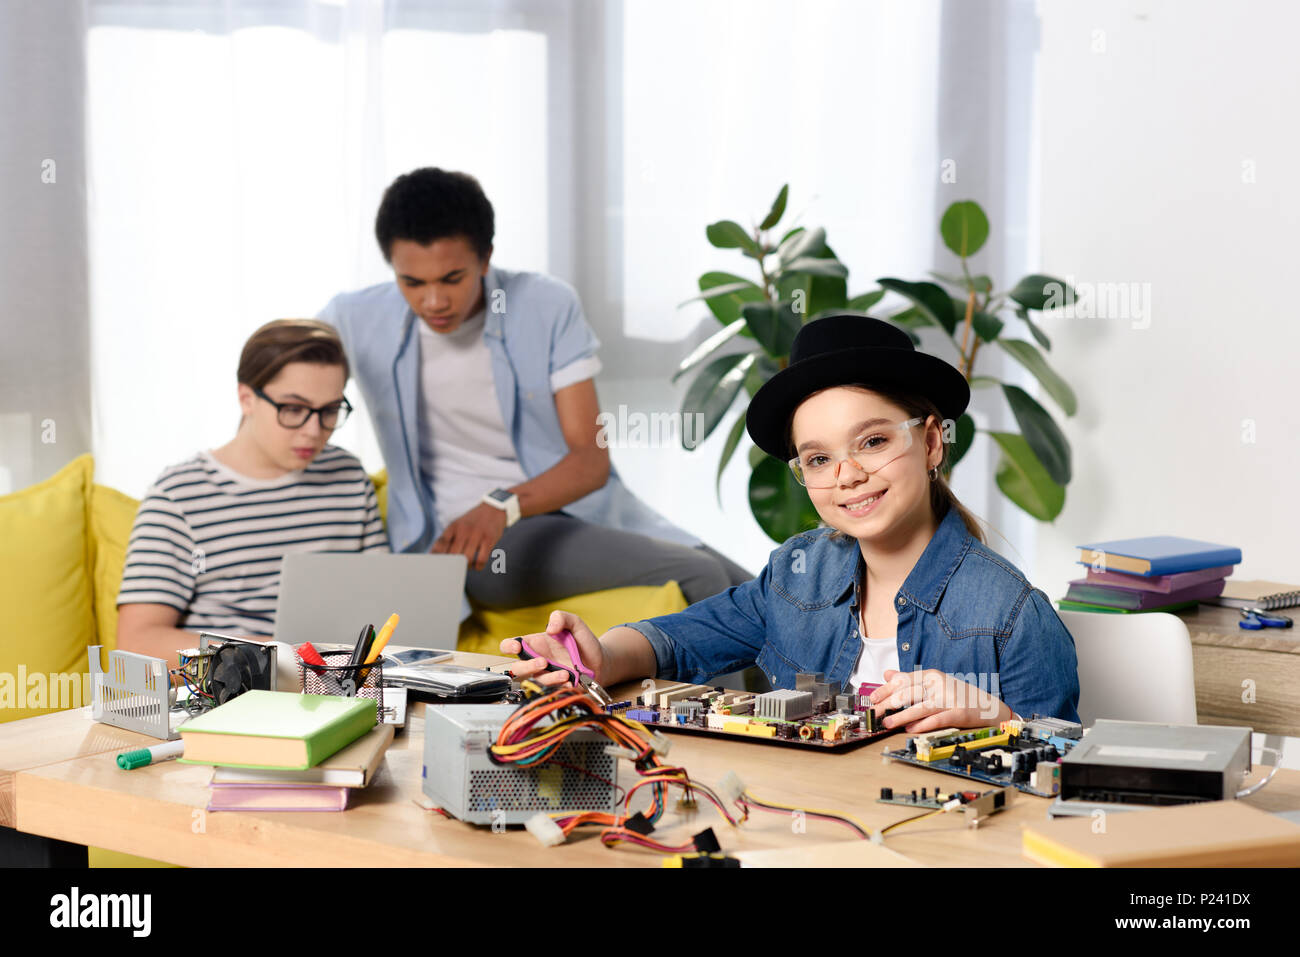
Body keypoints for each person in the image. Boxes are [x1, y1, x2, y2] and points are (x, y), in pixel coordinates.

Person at [505, 314, 1081, 727]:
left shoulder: (1011, 615)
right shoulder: (795, 577)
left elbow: (1063, 780)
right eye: (819, 459)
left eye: (873, 441)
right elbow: (677, 641)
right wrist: (599, 657)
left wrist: (997, 718)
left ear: (932, 442)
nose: (848, 474)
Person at [318, 167, 749, 618]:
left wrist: (500, 503)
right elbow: (285, 383)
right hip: (482, 548)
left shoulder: (544, 305)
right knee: (701, 577)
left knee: (761, 598)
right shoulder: (355, 318)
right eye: (412, 283)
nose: (433, 302)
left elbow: (589, 460)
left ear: (485, 259)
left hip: (569, 512)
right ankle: (710, 696)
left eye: (451, 278)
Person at [116, 320, 388, 667]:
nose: (313, 431)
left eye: (330, 410)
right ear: (247, 398)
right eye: (293, 409)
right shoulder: (178, 495)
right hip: (230, 695)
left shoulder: (348, 476)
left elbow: (381, 604)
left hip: (335, 687)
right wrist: (278, 656)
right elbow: (137, 641)